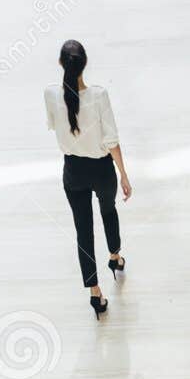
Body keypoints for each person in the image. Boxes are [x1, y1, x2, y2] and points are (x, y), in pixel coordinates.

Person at [45, 40, 132, 316]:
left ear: (60, 64)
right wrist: (124, 175)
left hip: (72, 171)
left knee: (83, 231)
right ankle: (115, 257)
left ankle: (95, 292)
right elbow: (112, 140)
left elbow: (53, 125)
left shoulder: (50, 95)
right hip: (101, 168)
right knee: (108, 210)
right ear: (85, 64)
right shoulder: (98, 95)